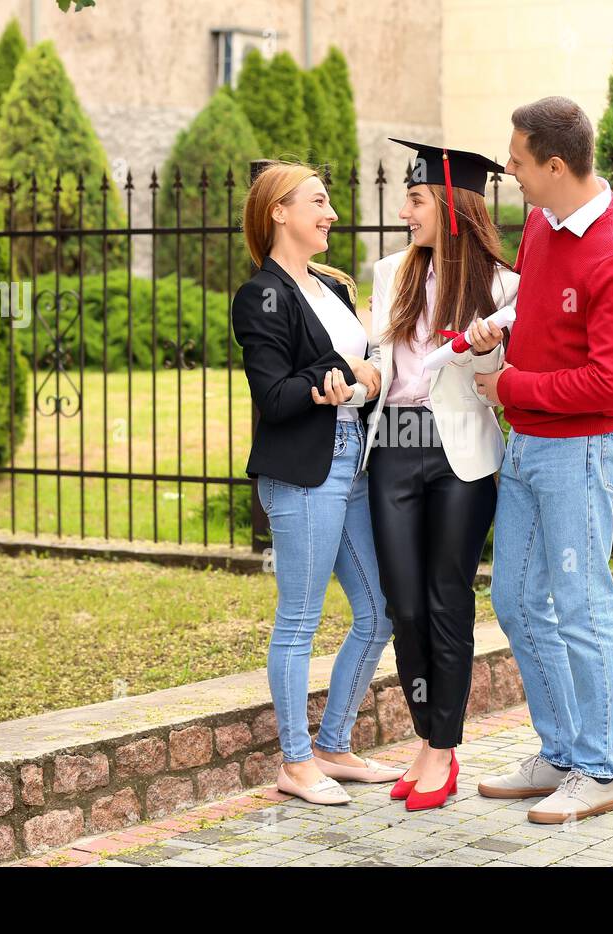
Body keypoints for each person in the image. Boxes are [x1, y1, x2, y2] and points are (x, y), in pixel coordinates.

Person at [472, 96, 613, 824]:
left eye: (518, 161)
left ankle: (600, 769)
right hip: (529, 442)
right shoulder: (545, 229)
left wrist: (510, 384)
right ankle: (560, 753)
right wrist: (503, 329)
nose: (509, 171)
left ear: (555, 164)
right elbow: (541, 311)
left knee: (583, 606)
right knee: (515, 600)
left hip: (580, 447)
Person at [231, 159, 404, 806]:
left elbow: (370, 362)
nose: (331, 213)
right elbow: (275, 397)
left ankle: (333, 745)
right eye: (318, 202)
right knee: (300, 620)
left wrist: (372, 376)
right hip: (305, 471)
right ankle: (296, 764)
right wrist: (338, 372)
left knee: (380, 610)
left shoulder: (330, 285)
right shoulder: (262, 295)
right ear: (278, 210)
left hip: (352, 456)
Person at [361, 140, 520, 812]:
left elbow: (500, 391)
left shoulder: (505, 287)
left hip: (461, 455)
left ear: (453, 207)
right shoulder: (388, 271)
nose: (404, 211)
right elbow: (378, 364)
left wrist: (488, 358)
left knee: (447, 601)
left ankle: (441, 748)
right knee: (405, 605)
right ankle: (427, 734)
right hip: (395, 448)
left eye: (416, 199)